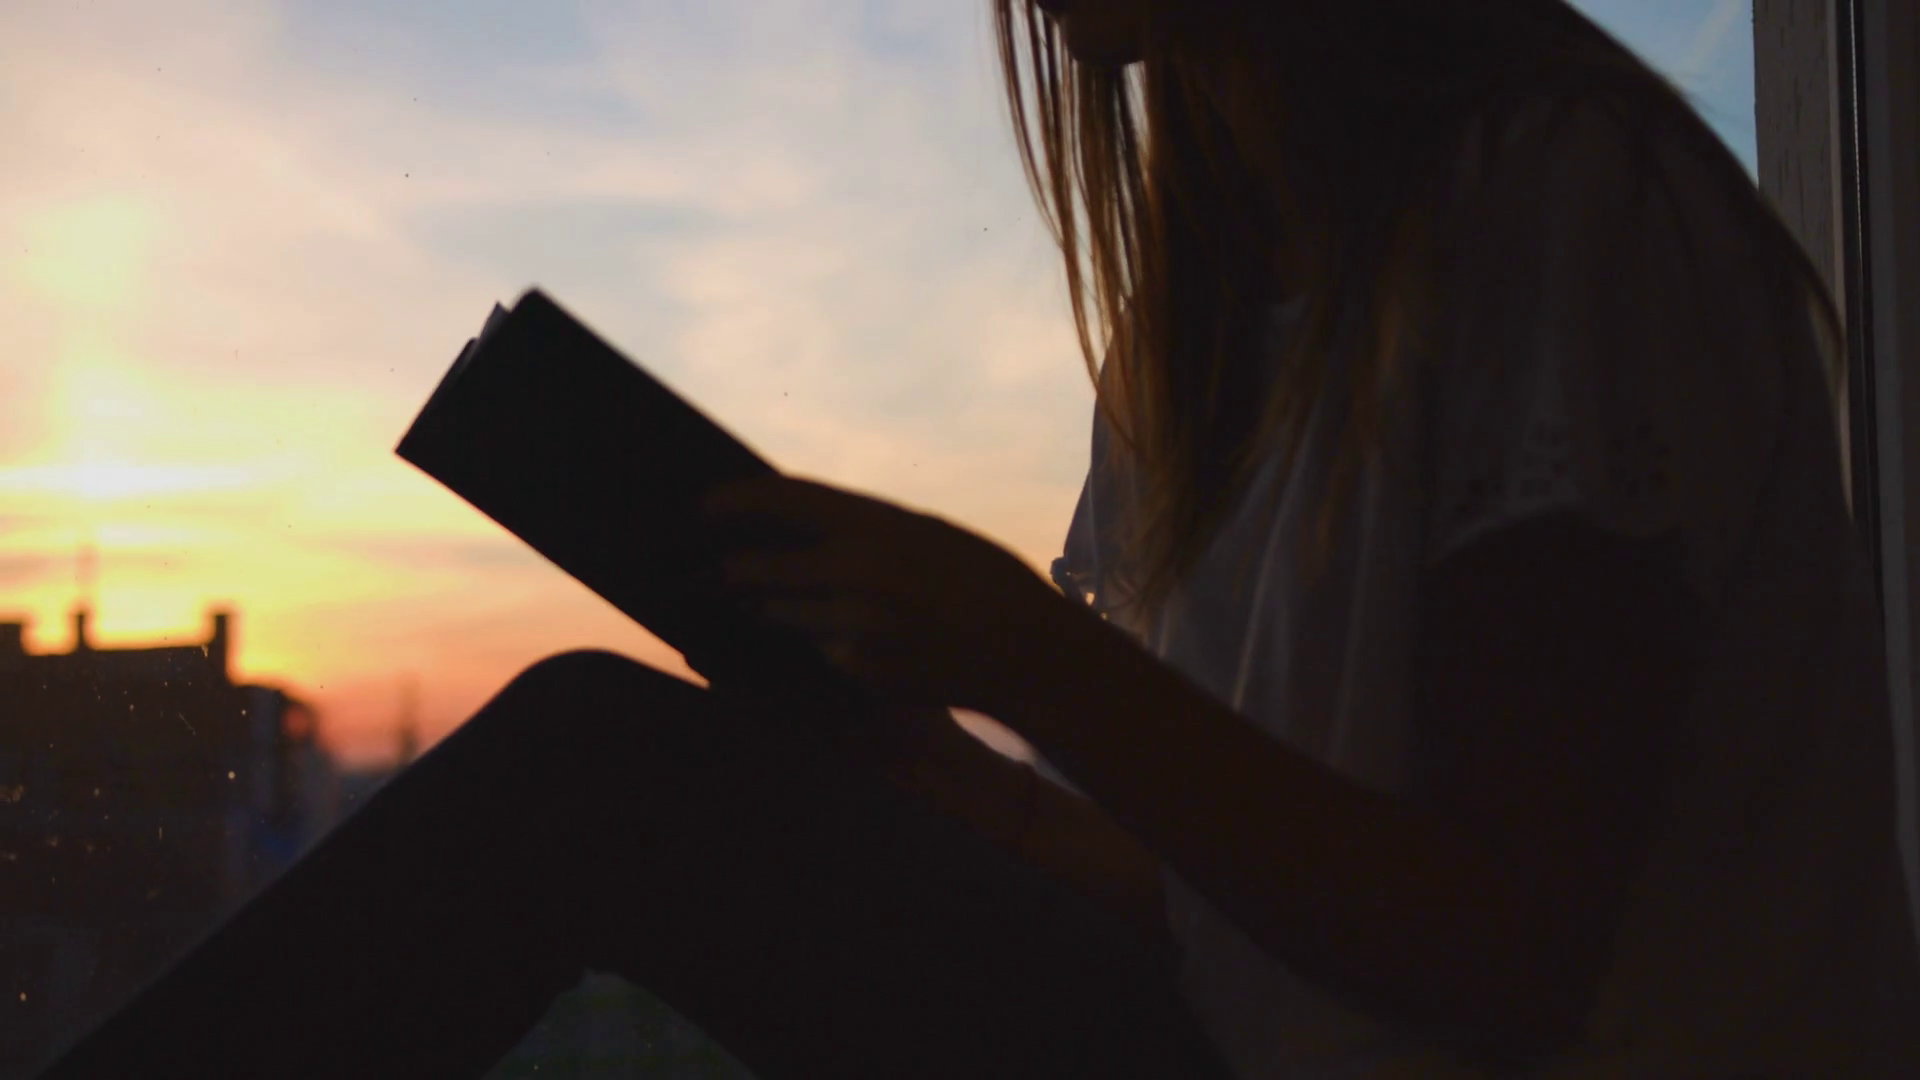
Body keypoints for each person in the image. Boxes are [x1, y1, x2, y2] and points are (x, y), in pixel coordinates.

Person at [36, 0, 1920, 1076]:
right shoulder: (1218, 326)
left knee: (591, 773)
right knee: (610, 760)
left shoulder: (1558, 211)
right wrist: (898, 738)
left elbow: (1501, 954)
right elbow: (1215, 901)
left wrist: (1030, 656)